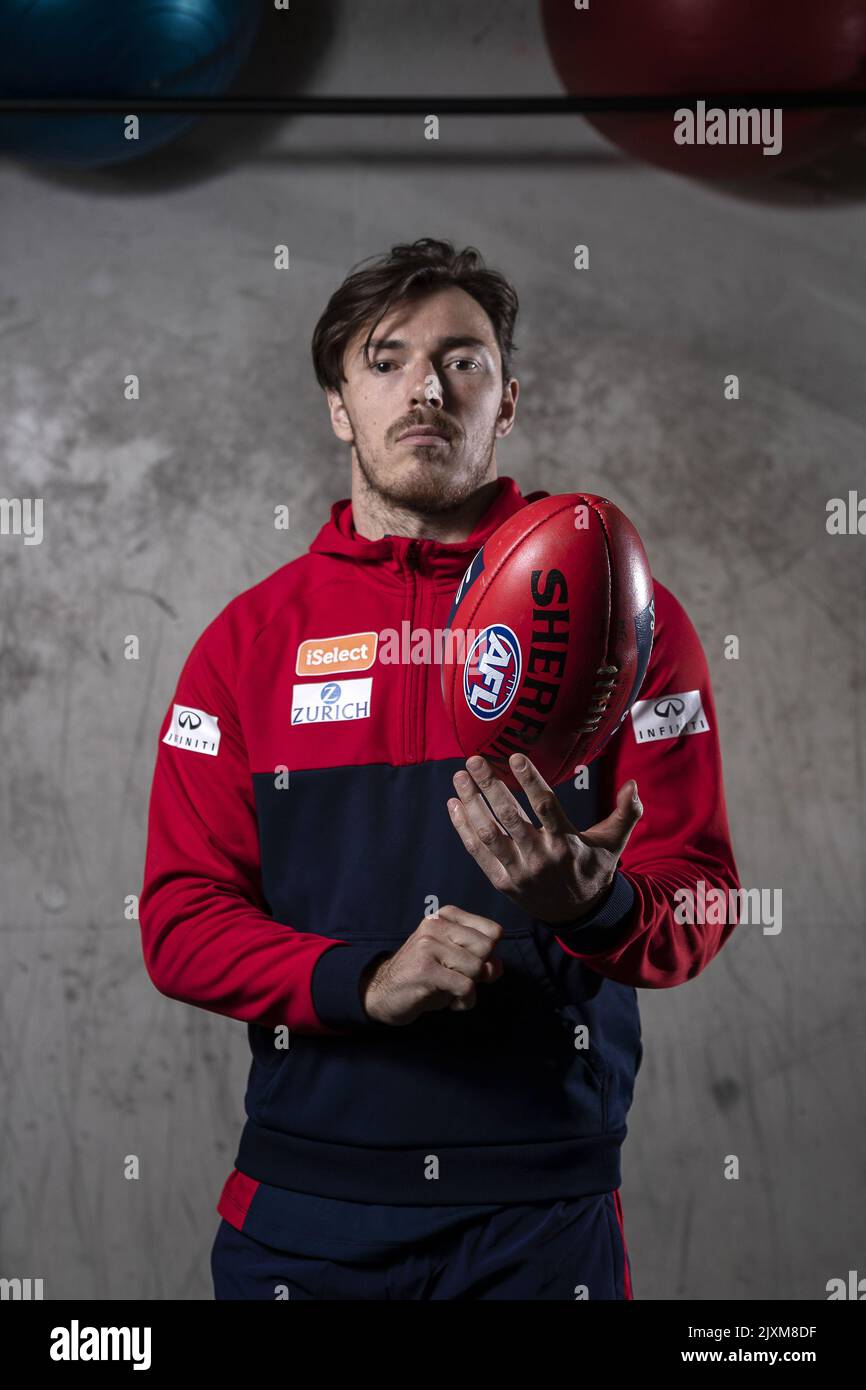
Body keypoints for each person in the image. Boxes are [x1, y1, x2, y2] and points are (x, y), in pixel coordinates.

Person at [139, 237, 741, 1300]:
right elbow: (180, 921)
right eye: (385, 359)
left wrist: (591, 907)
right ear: (338, 405)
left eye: (461, 359)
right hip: (306, 1215)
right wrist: (363, 981)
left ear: (505, 401)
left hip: (539, 1218)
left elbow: (697, 896)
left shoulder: (621, 616)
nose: (425, 386)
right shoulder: (245, 643)